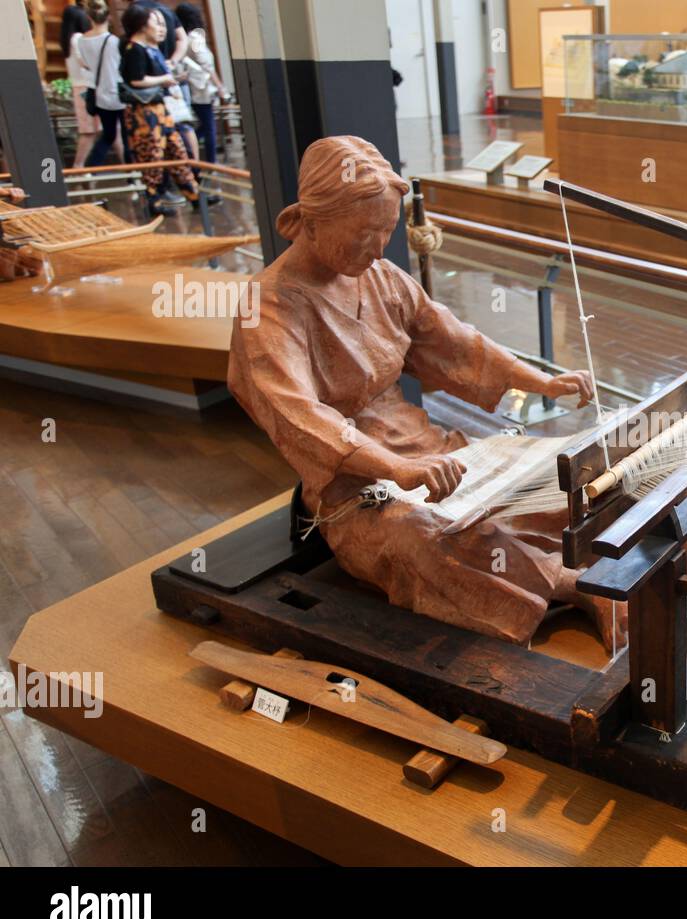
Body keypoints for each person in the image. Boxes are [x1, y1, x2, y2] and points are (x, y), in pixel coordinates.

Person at [226, 136, 636, 648]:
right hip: (356, 488)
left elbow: (453, 340)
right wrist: (396, 469)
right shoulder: (267, 307)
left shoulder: (379, 277)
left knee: (551, 474)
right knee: (420, 534)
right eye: (362, 235)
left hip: (429, 449)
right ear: (311, 221)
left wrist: (541, 381)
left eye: (386, 232)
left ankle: (658, 546)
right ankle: (577, 587)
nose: (377, 249)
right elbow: (297, 415)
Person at [118, 3, 198, 216]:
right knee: (151, 157)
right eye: (157, 23)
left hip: (161, 110)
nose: (162, 28)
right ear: (142, 26)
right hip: (145, 114)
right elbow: (136, 80)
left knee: (177, 150)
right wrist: (165, 79)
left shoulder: (151, 49)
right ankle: (154, 200)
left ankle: (194, 195)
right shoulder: (134, 49)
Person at [174, 4, 227, 166]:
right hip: (202, 88)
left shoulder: (182, 40)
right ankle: (210, 161)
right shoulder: (195, 38)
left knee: (205, 125)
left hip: (193, 87)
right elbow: (206, 65)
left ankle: (189, 148)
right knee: (209, 127)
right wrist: (220, 87)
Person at [80, 0, 124, 168]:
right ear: (109, 17)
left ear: (89, 17)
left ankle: (91, 169)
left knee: (109, 135)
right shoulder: (113, 41)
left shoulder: (82, 40)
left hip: (101, 94)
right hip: (119, 93)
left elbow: (86, 64)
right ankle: (134, 179)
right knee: (126, 138)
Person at [62, 3, 99, 167]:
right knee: (90, 131)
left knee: (96, 130)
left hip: (80, 86)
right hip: (86, 87)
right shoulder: (77, 38)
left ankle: (83, 168)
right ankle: (79, 167)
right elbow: (86, 62)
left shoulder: (68, 39)